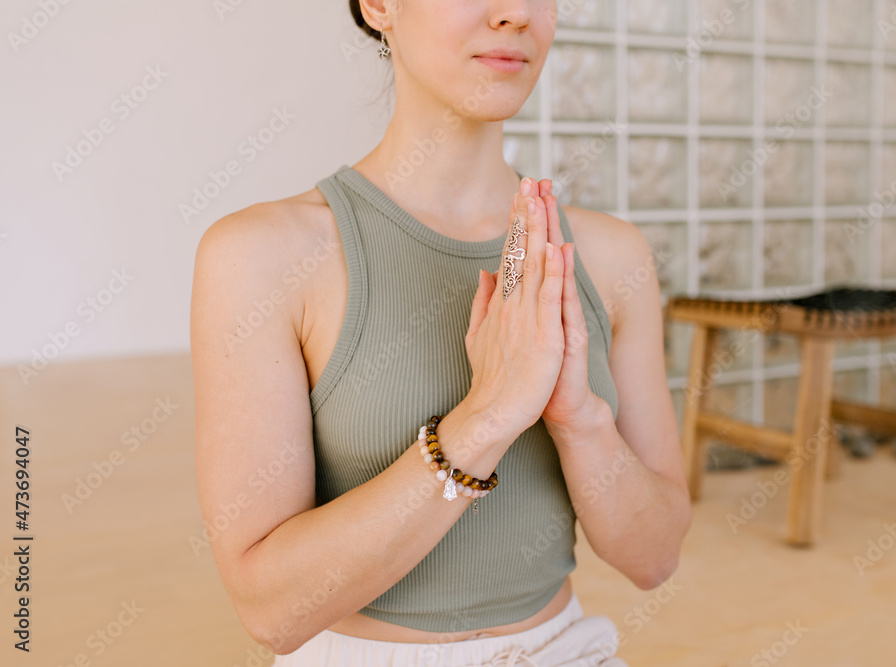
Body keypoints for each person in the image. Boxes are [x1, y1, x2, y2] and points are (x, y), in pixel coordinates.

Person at [189, 0, 692, 664]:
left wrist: (580, 419)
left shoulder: (613, 257)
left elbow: (655, 557)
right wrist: (488, 417)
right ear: (379, 6)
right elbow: (271, 611)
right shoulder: (262, 256)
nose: (516, 13)